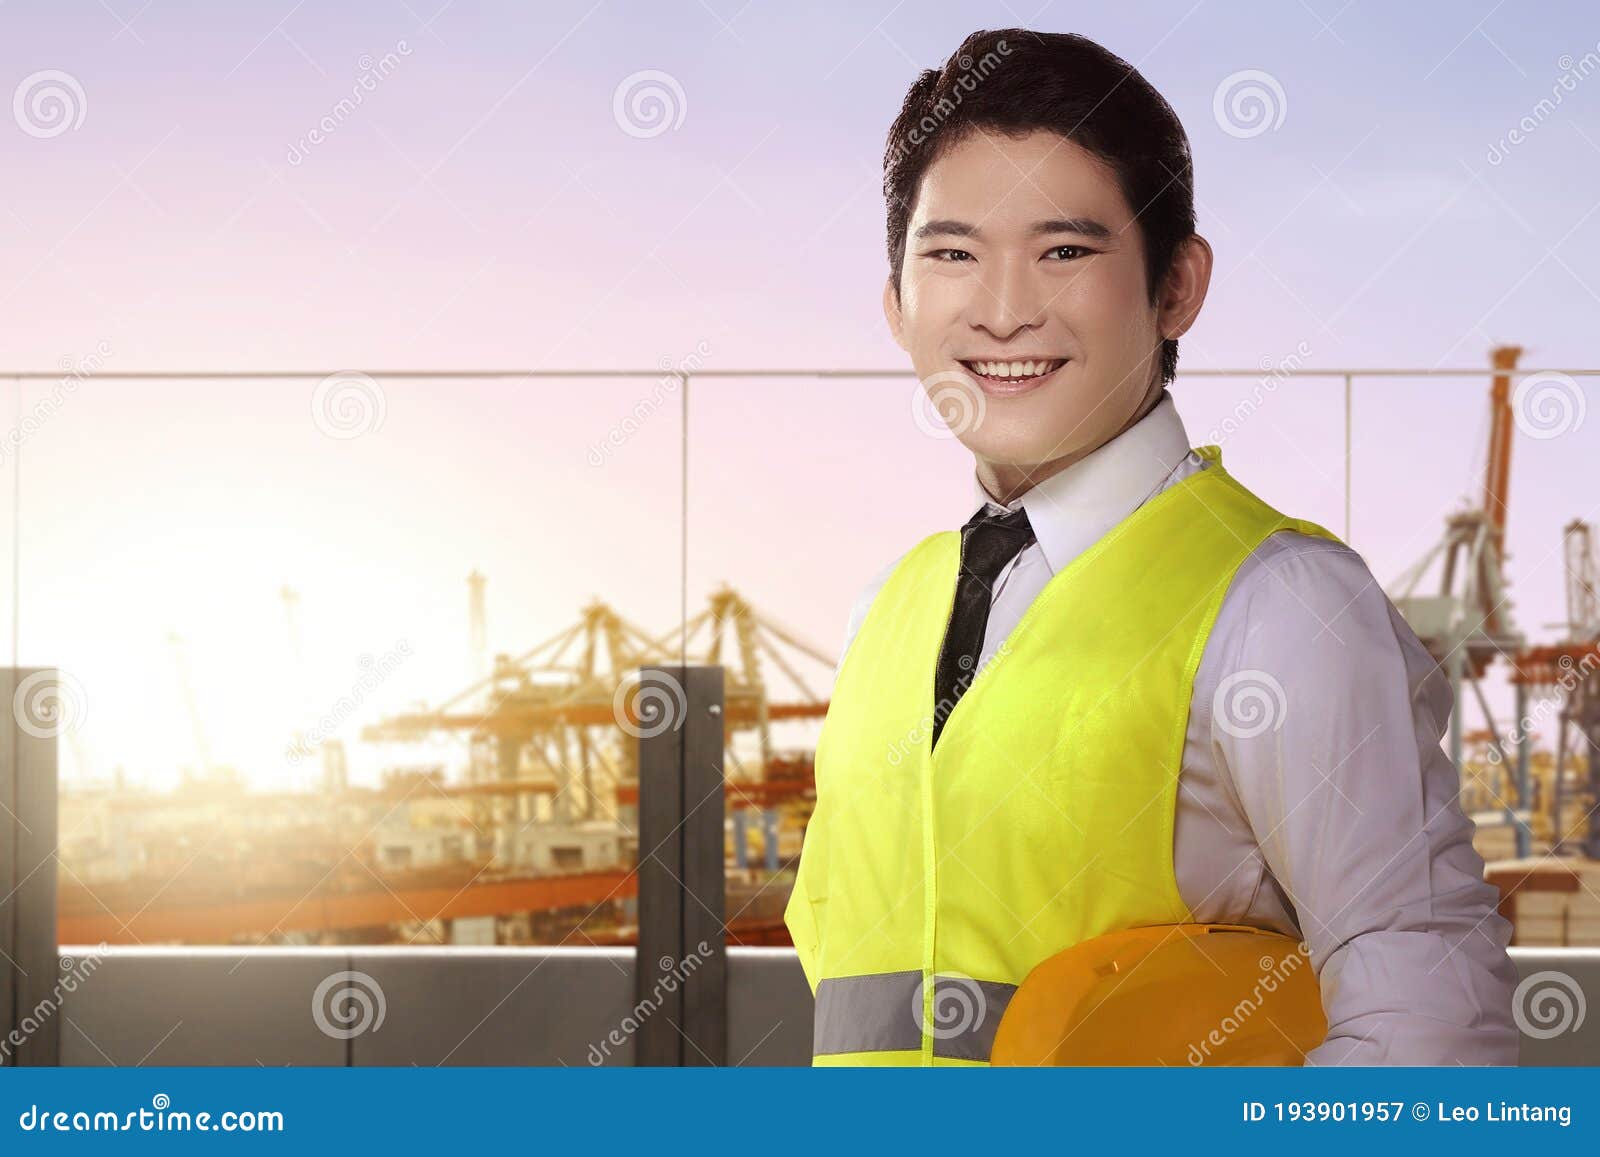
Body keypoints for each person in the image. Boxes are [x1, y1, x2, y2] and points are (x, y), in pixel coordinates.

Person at [782, 27, 1520, 1067]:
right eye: (951, 253)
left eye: (1064, 251)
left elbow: (1428, 1028)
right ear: (897, 304)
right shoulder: (884, 611)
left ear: (1176, 286)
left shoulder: (1282, 605)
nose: (1001, 311)